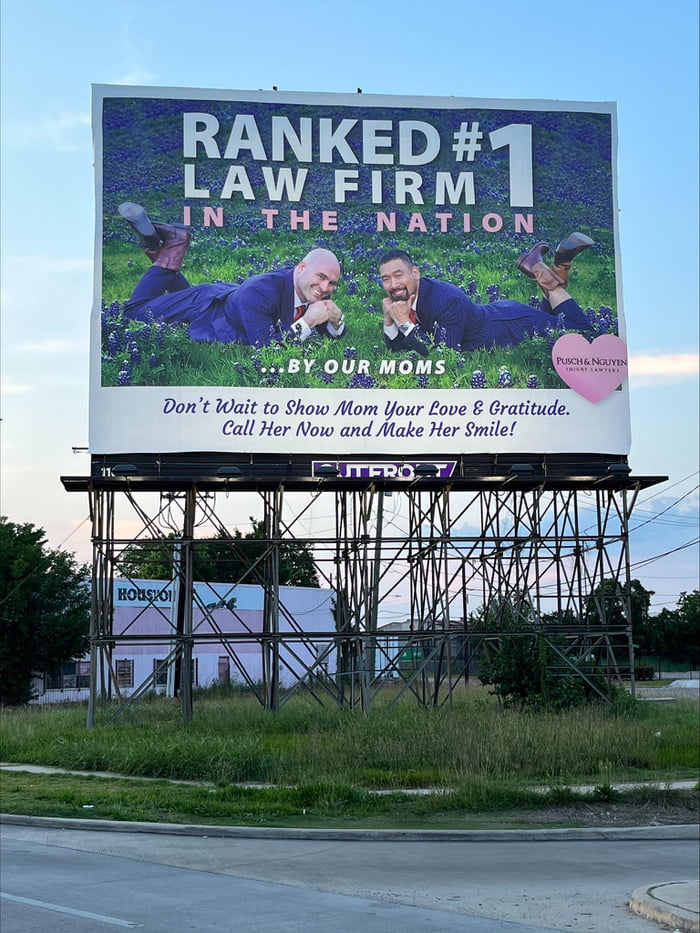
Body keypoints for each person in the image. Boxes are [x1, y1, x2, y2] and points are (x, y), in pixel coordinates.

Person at [116, 203, 346, 346]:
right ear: (302, 267)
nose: (325, 288)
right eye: (321, 277)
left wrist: (337, 320)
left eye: (332, 283)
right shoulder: (261, 292)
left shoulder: (310, 289)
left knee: (175, 298)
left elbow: (332, 335)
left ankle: (155, 244)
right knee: (133, 313)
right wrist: (309, 320)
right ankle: (173, 248)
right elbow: (267, 349)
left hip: (227, 299)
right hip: (206, 310)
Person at [378, 235, 595, 355]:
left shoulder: (446, 299)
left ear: (415, 272)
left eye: (398, 275)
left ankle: (543, 268)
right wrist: (390, 321)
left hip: (511, 326)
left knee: (584, 334)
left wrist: (404, 322)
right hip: (500, 311)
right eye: (386, 279)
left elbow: (443, 357)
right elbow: (400, 349)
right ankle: (551, 267)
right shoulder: (404, 300)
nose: (393, 284)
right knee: (556, 321)